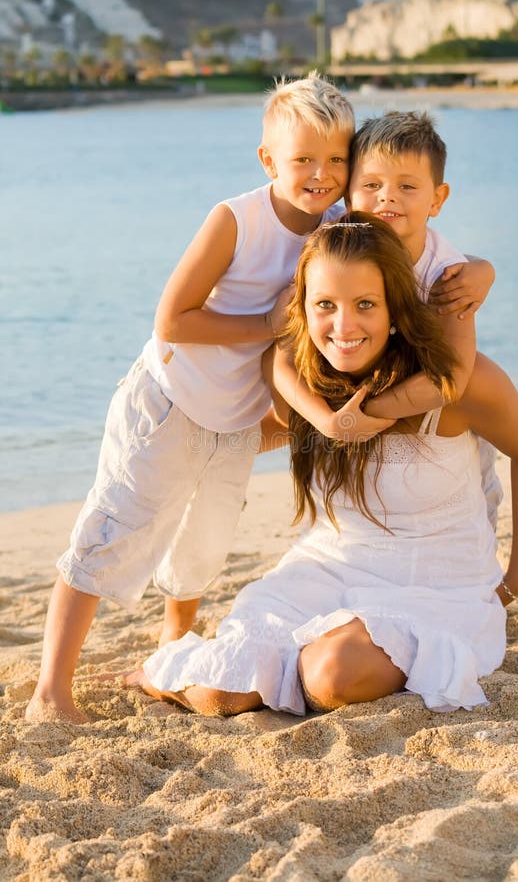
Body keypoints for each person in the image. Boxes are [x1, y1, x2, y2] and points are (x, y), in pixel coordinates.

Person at [26, 73, 360, 724]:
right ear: (269, 160)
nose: (320, 174)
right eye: (302, 160)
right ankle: (50, 692)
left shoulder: (338, 224)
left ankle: (172, 641)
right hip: (169, 402)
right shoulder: (235, 219)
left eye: (336, 159)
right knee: (111, 532)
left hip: (234, 418)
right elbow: (171, 320)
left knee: (204, 546)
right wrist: (267, 326)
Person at [125, 214, 518, 717]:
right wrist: (166, 445)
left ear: (395, 309)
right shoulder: (307, 389)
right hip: (327, 569)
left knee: (332, 675)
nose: (344, 327)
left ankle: (286, 668)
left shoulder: (456, 384)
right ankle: (160, 671)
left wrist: (514, 579)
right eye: (325, 305)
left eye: (365, 305)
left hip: (439, 583)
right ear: (301, 308)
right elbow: (253, 435)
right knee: (223, 694)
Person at [270, 111, 503, 528]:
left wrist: (367, 412)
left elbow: (450, 378)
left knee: (471, 502)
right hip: (353, 405)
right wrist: (329, 420)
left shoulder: (444, 274)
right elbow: (281, 356)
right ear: (347, 195)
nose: (387, 198)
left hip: (418, 413)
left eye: (407, 186)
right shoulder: (332, 248)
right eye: (372, 185)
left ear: (437, 198)